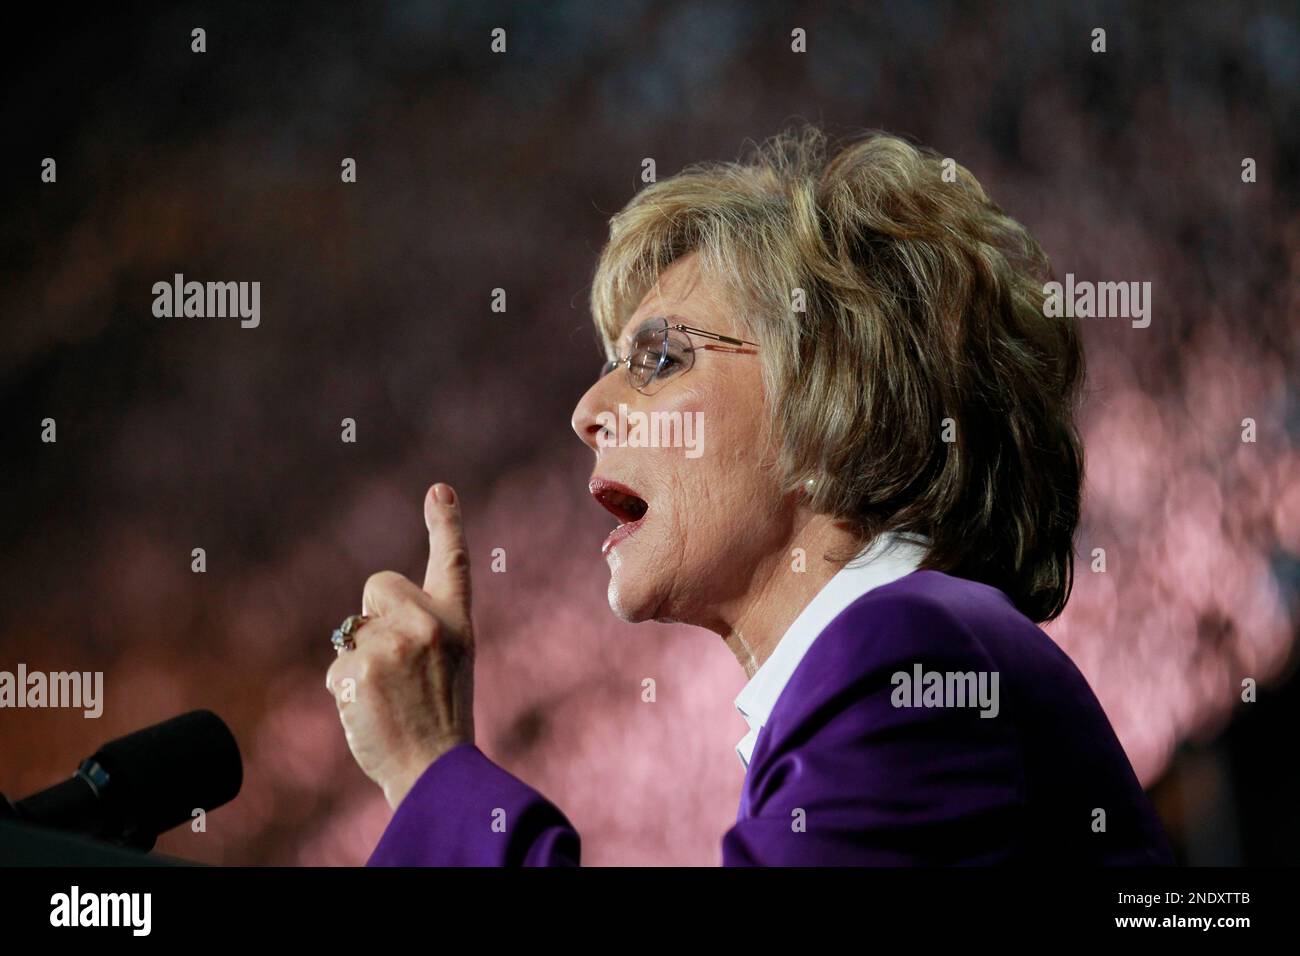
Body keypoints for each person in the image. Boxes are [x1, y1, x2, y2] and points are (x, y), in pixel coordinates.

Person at [325, 126, 1174, 866]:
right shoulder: (896, 663)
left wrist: (431, 775)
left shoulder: (911, 653)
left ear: (835, 399)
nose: (587, 412)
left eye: (659, 359)